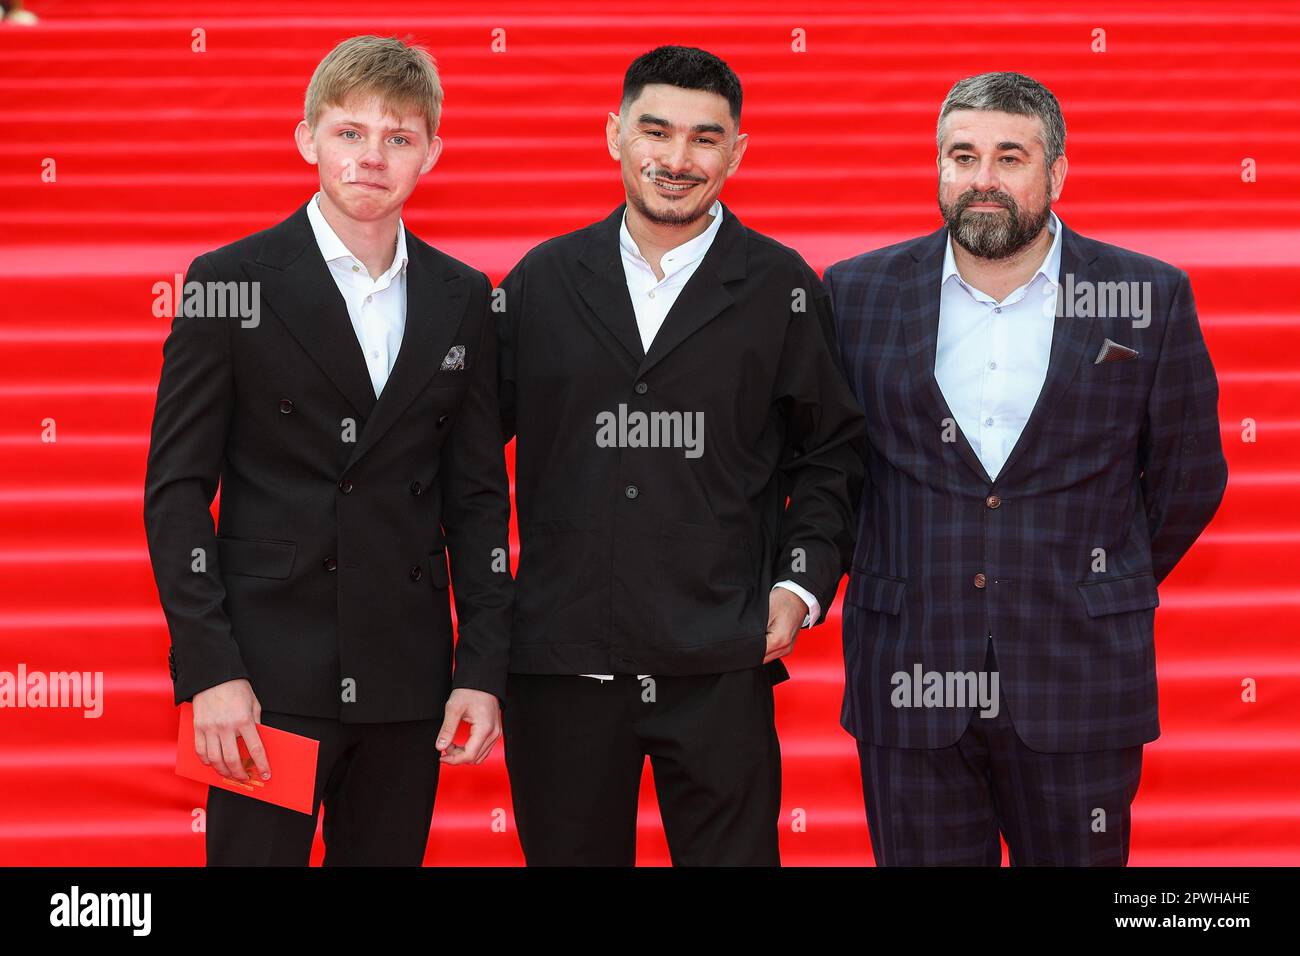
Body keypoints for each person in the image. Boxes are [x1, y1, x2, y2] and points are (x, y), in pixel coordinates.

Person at [825, 71, 1228, 866]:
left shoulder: (1143, 293)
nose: (983, 179)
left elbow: (1189, 477)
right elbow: (830, 468)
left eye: (1010, 157)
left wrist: (1098, 575)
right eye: (962, 155)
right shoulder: (856, 293)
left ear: (1058, 172)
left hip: (1076, 675)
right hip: (908, 671)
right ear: (937, 167)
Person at [143, 35, 512, 865]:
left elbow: (479, 497)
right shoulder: (229, 280)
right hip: (266, 679)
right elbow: (175, 492)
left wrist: (483, 667)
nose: (371, 158)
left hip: (408, 677)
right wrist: (209, 670)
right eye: (349, 133)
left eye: (398, 137)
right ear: (307, 139)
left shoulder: (464, 298)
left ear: (432, 153)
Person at [496, 45, 866, 866]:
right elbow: (468, 453)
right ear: (614, 134)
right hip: (562, 660)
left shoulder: (782, 288)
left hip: (719, 660)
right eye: (655, 131)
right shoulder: (542, 281)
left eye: (705, 138)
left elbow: (832, 453)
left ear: (736, 153)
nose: (676, 159)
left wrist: (801, 584)